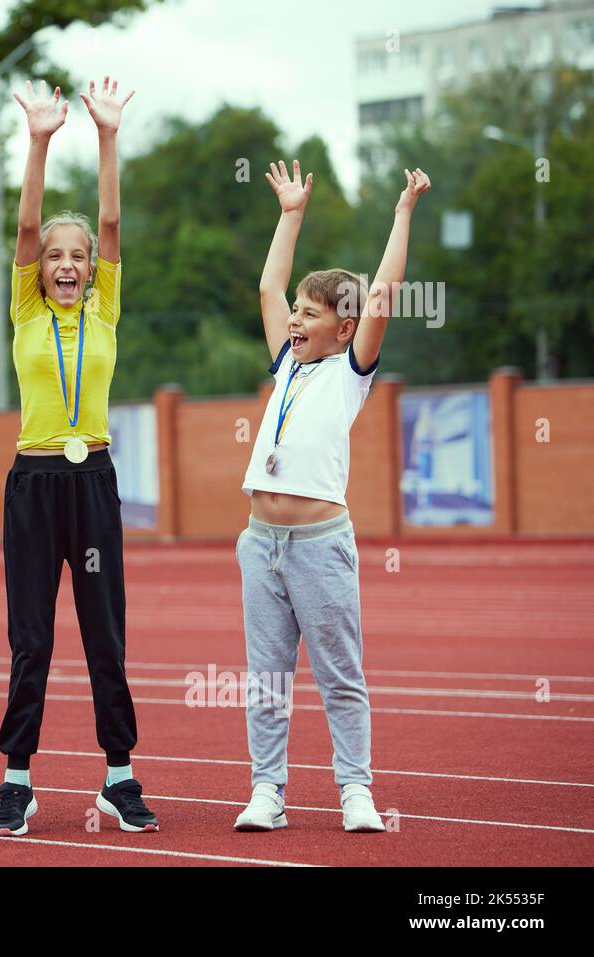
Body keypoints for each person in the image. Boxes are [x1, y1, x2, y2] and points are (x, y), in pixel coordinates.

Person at [233, 160, 430, 833]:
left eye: (309, 313)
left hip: (319, 546)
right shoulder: (287, 361)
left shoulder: (349, 375)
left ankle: (355, 790)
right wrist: (291, 214)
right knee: (266, 677)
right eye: (296, 310)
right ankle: (267, 789)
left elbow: (381, 293)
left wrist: (402, 213)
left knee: (340, 674)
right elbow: (268, 285)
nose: (294, 317)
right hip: (261, 545)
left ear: (342, 330)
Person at [0, 78, 158, 838]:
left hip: (92, 480)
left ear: (93, 266)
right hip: (33, 481)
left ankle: (118, 775)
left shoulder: (107, 307)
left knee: (104, 631)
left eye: (77, 255)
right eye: (54, 256)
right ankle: (17, 780)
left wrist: (108, 136)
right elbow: (25, 223)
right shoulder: (26, 306)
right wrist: (39, 141)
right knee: (32, 638)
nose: (64, 263)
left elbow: (113, 216)